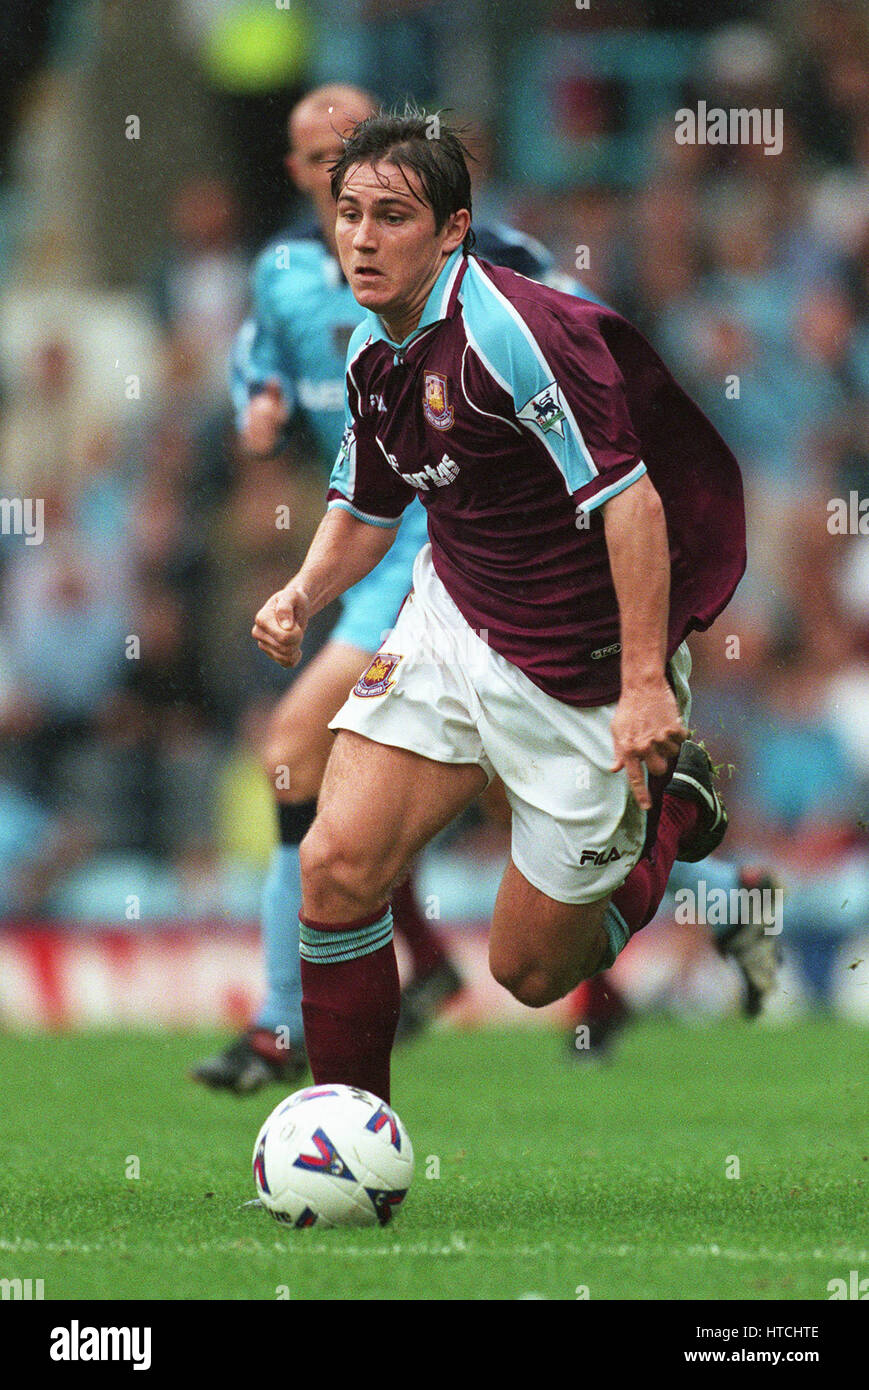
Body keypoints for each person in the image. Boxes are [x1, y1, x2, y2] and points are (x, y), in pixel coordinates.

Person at [251, 109, 776, 1105]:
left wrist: (637, 687)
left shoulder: (514, 335)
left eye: (391, 216)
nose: (360, 236)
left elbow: (631, 506)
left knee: (529, 972)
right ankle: (352, 1136)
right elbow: (367, 504)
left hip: (582, 670)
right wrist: (303, 591)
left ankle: (672, 809)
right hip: (453, 619)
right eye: (348, 212)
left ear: (452, 228)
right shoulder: (371, 349)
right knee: (336, 862)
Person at [191, 86, 585, 1093]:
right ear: (302, 178)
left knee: (322, 760)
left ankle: (304, 1013)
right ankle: (321, 1022)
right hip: (386, 545)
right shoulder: (288, 276)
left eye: (374, 181)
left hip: (478, 552)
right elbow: (258, 352)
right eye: (331, 175)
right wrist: (261, 404)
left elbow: (588, 368)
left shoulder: (495, 269)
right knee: (341, 777)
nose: (354, 204)